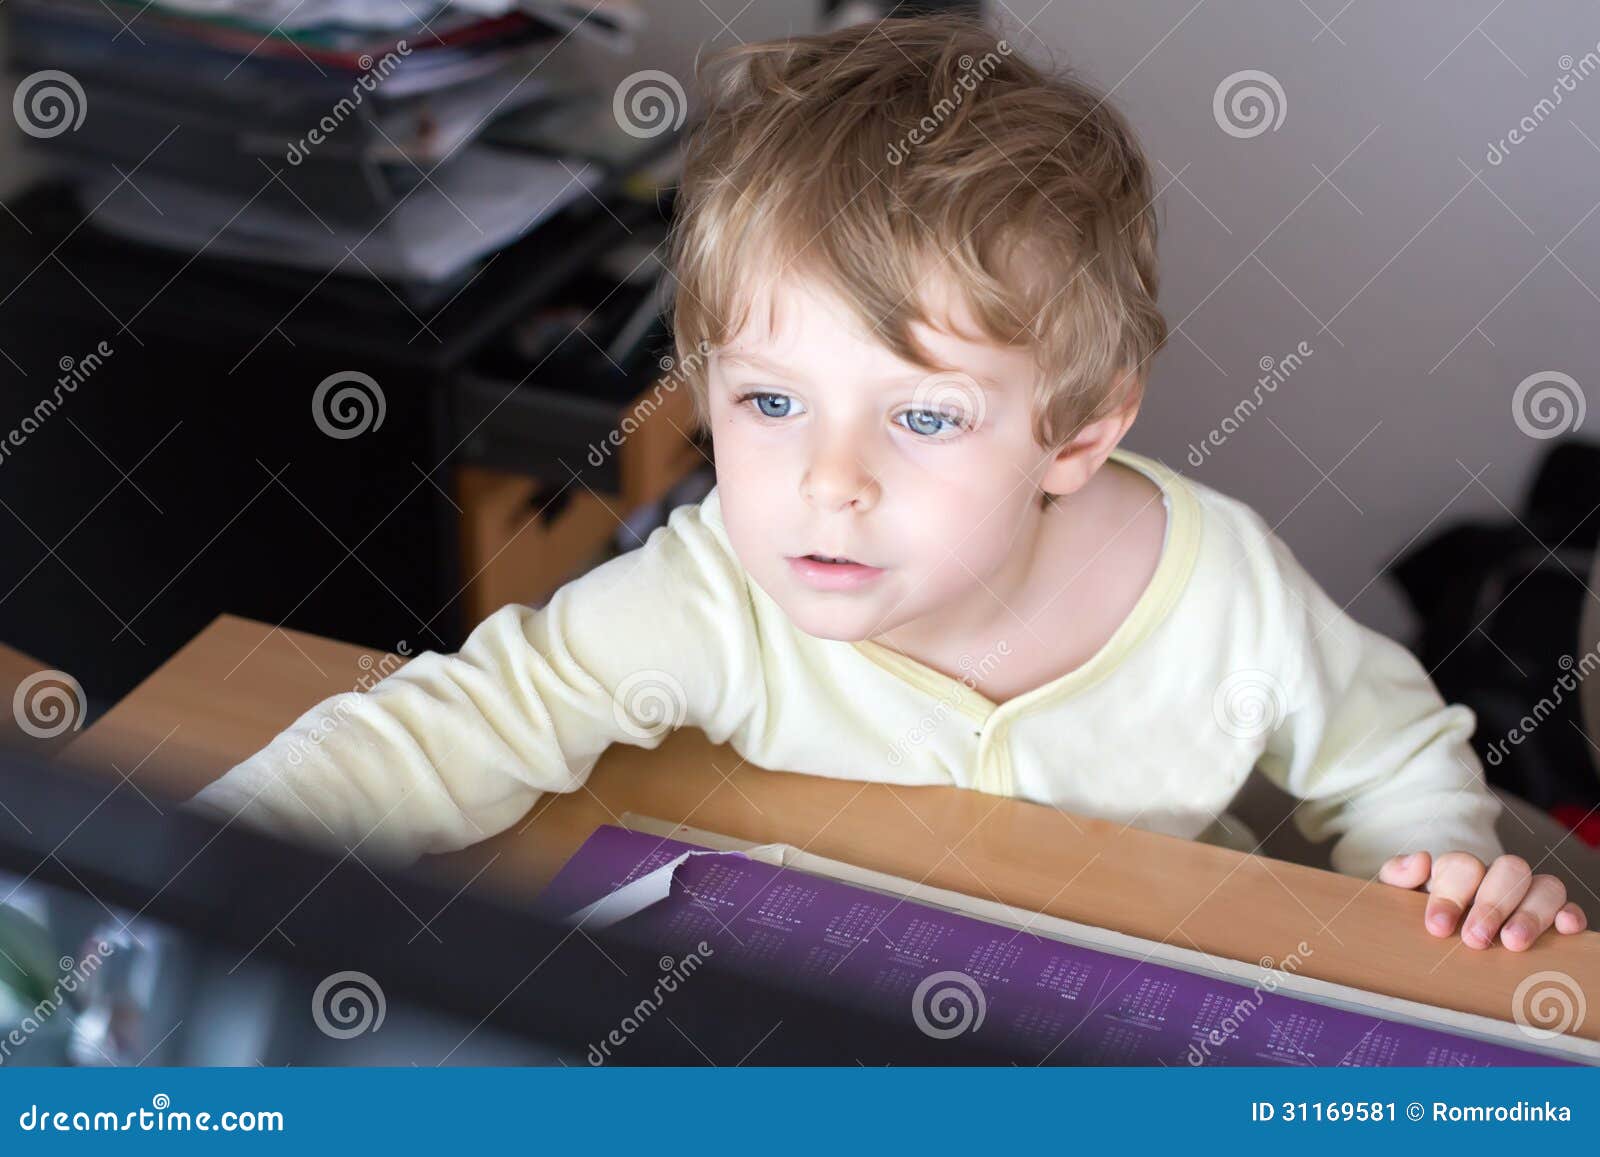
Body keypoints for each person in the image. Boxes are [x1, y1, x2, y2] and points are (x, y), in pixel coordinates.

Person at [186, 13, 1585, 951]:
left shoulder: (1221, 590)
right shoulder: (722, 588)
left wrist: (1443, 871)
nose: (825, 482)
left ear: (1080, 433)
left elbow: (1396, 763)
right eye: (770, 400)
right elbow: (462, 726)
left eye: (921, 417)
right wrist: (188, 868)